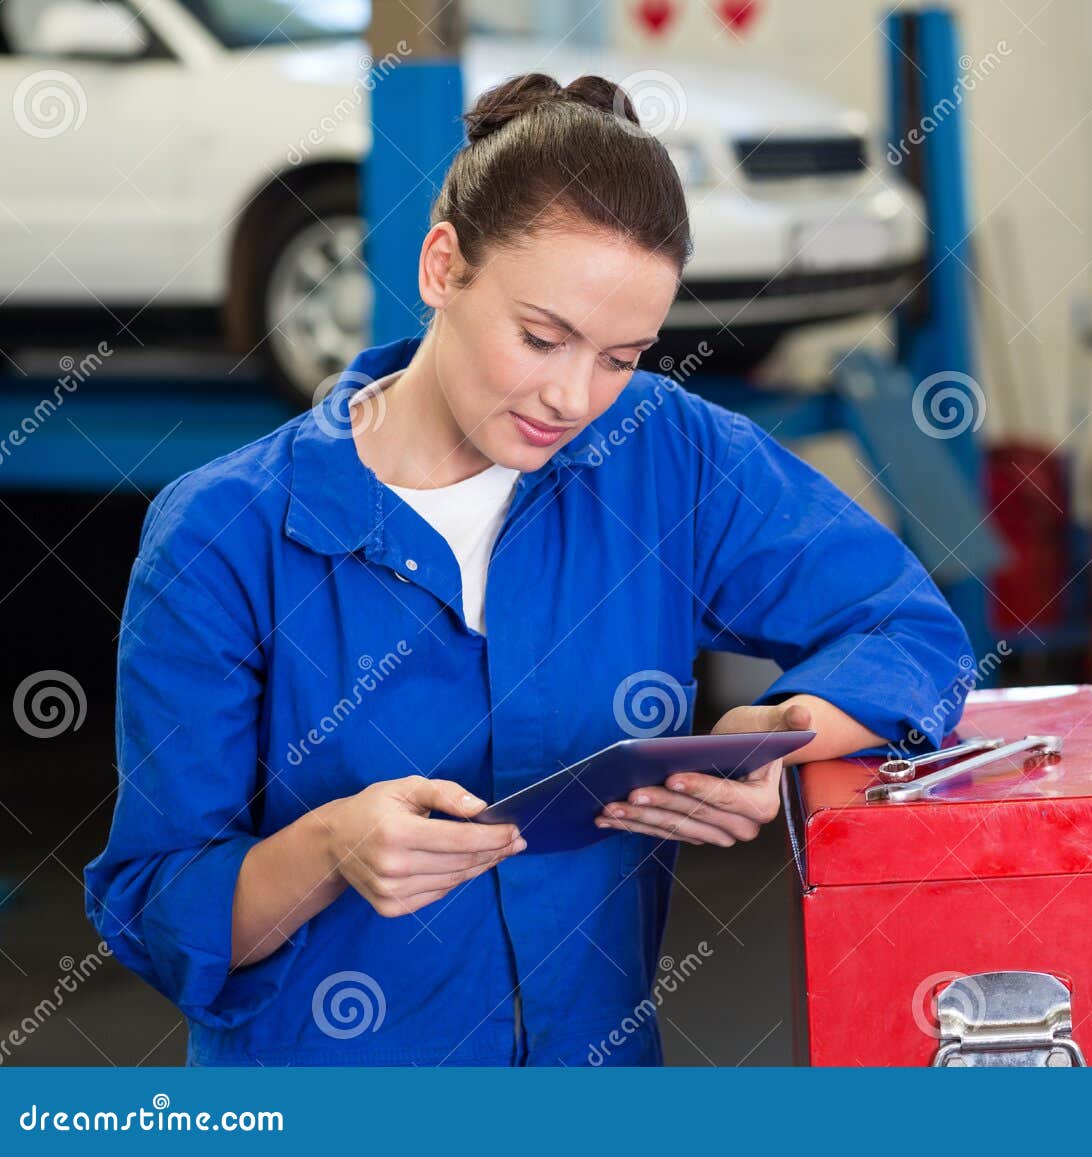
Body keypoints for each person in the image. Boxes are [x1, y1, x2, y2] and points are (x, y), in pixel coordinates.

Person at [85, 73, 973, 1066]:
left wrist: (784, 732)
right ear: (441, 266)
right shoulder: (224, 534)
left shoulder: (664, 457)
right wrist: (329, 848)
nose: (573, 397)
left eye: (621, 356)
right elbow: (160, 911)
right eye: (541, 338)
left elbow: (908, 628)